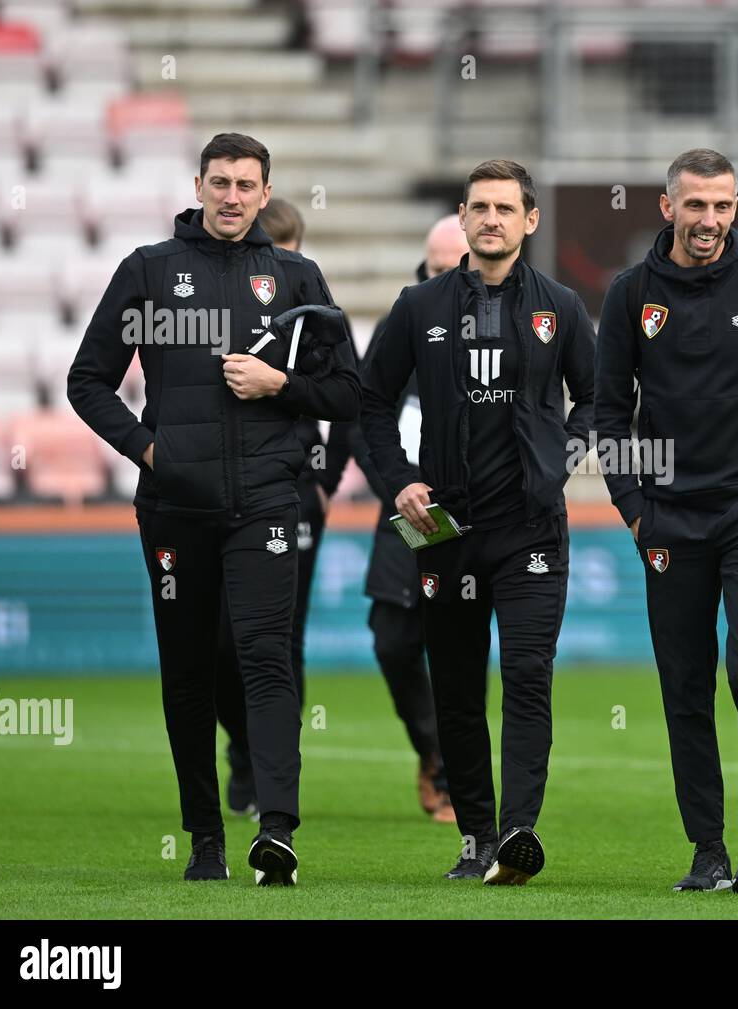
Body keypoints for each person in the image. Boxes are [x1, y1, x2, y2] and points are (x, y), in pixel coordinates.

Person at [67, 133, 361, 885]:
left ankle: (277, 832)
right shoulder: (149, 270)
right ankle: (205, 840)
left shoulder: (296, 276)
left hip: (267, 502)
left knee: (267, 662)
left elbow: (348, 392)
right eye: (220, 182)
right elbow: (88, 379)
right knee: (189, 673)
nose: (232, 197)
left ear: (267, 194)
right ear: (198, 185)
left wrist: (279, 386)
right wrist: (149, 450)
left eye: (247, 185)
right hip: (174, 510)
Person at [359, 160, 595, 884]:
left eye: (506, 208)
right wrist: (399, 481)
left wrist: (561, 458)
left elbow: (597, 402)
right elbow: (367, 404)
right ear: (462, 218)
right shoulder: (418, 306)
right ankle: (475, 838)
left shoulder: (561, 306)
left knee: (527, 677)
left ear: (530, 220)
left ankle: (519, 831)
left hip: (530, 529)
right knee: (457, 687)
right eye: (480, 207)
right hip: (443, 532)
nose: (492, 219)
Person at [593, 149, 738, 893]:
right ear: (667, 207)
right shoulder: (631, 295)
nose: (710, 220)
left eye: (723, 206)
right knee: (684, 685)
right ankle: (707, 848)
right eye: (696, 205)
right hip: (668, 520)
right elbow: (606, 414)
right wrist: (634, 510)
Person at [319, 214, 470, 824]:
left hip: (479, 511)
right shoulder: (400, 322)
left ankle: (465, 779)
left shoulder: (506, 323)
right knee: (393, 640)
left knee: (459, 644)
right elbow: (360, 414)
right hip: (405, 507)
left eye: (451, 267)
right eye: (433, 268)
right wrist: (399, 487)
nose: (443, 278)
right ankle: (434, 752)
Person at [215, 197, 325, 818]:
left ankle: (271, 775)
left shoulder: (311, 305)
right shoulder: (216, 304)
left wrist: (328, 479)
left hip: (294, 490)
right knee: (222, 643)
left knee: (281, 640)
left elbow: (351, 393)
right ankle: (243, 754)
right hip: (221, 488)